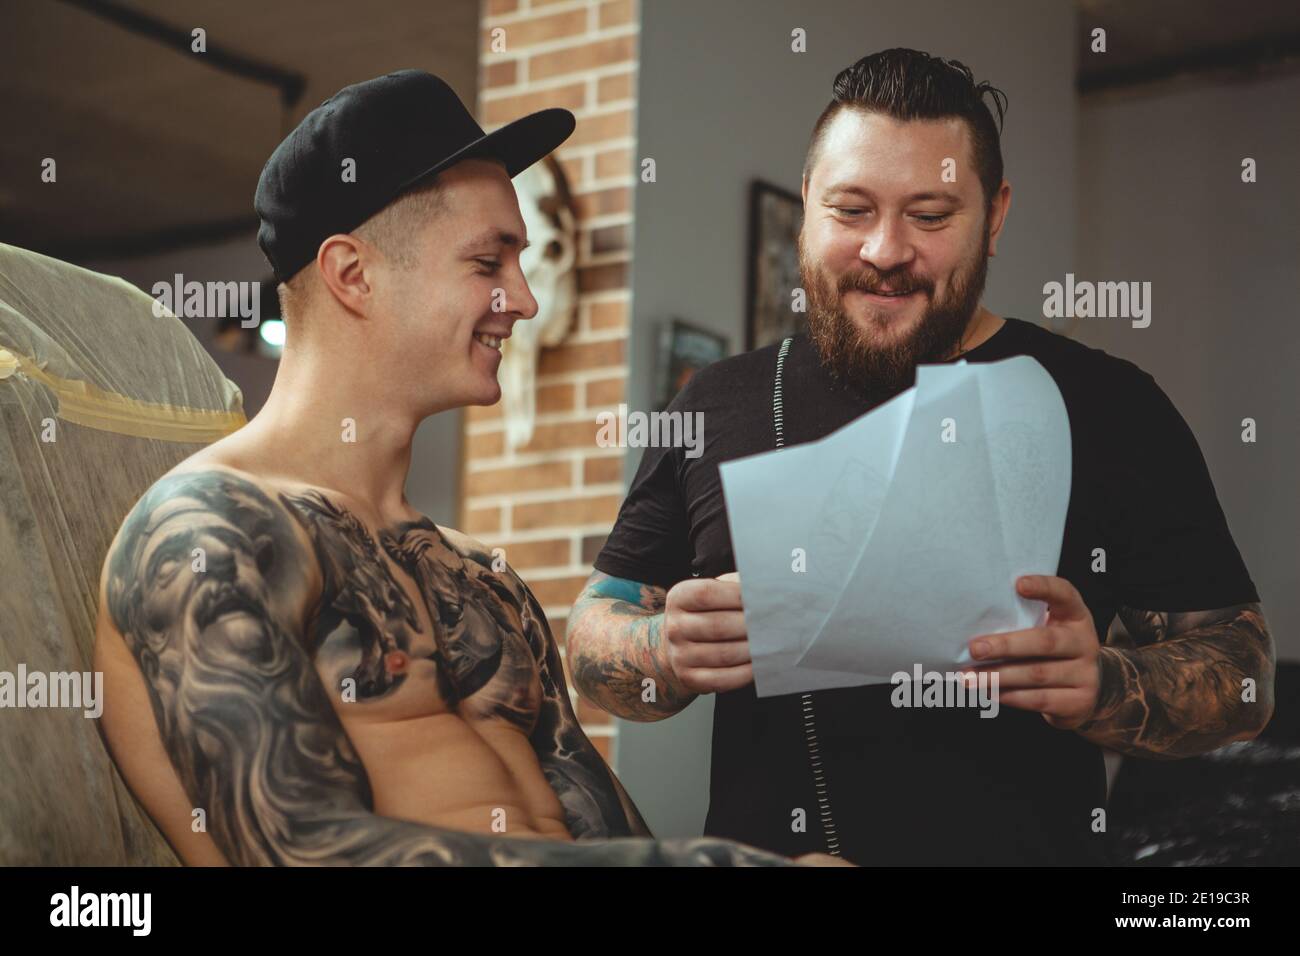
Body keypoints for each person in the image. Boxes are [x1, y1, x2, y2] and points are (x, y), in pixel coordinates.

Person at [93, 70, 837, 867]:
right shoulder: (208, 532)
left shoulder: (482, 576)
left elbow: (607, 831)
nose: (523, 299)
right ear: (353, 275)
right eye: (488, 263)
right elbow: (299, 850)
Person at [566, 49, 1275, 866]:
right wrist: (663, 646)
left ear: (996, 216)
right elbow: (591, 633)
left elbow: (1245, 673)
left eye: (930, 216)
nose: (885, 249)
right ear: (807, 206)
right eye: (851, 210)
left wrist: (1107, 684)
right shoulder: (715, 402)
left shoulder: (1109, 404)